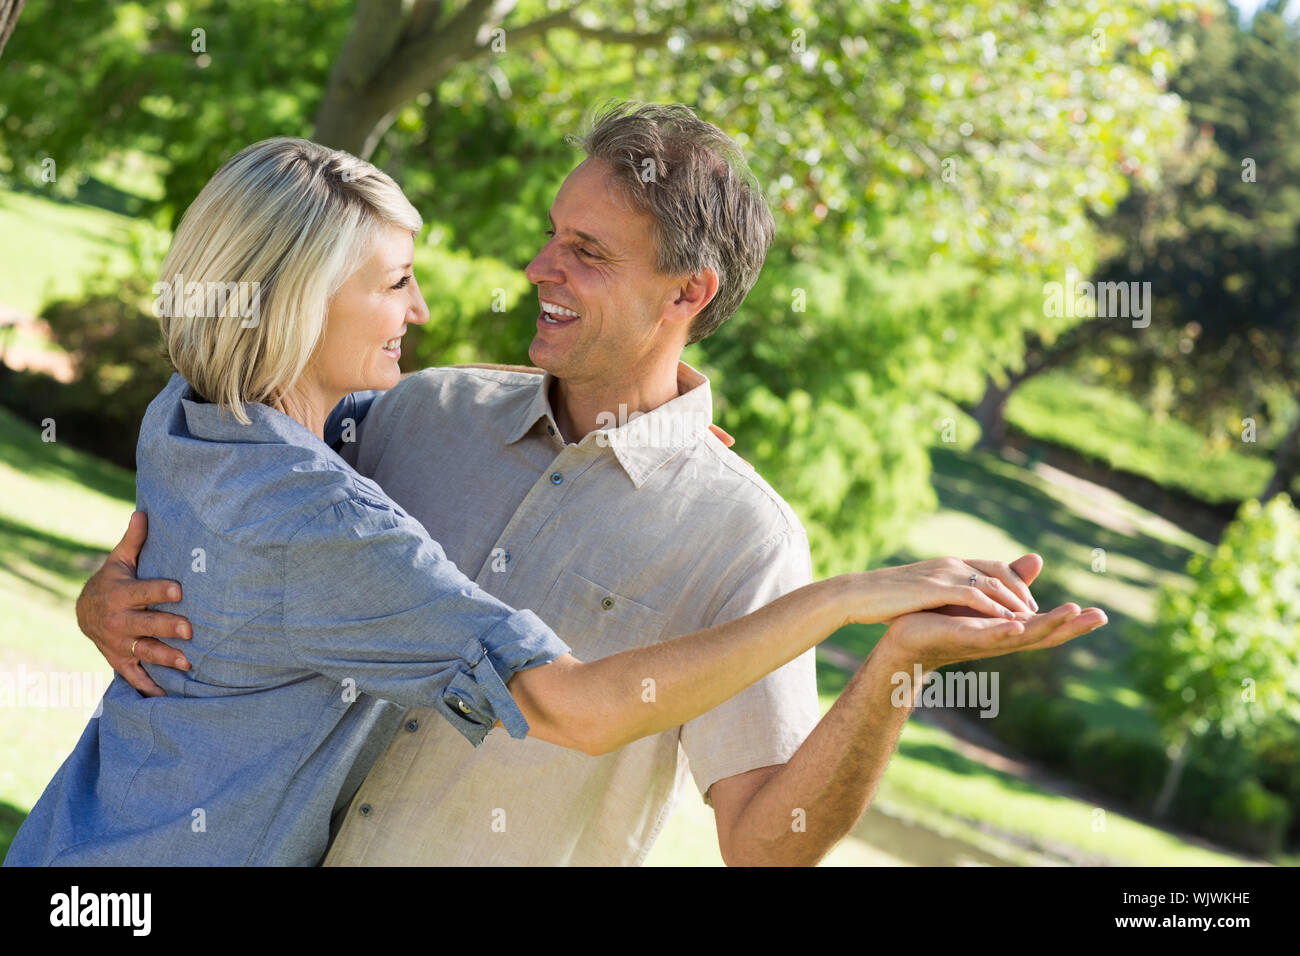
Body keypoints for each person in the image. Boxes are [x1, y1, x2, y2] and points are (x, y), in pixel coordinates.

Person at [66, 109, 1106, 867]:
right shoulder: (420, 410)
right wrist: (109, 593)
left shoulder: (742, 536)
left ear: (686, 293)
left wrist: (894, 665)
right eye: (553, 231)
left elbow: (765, 843)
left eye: (586, 251)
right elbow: (238, 465)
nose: (537, 265)